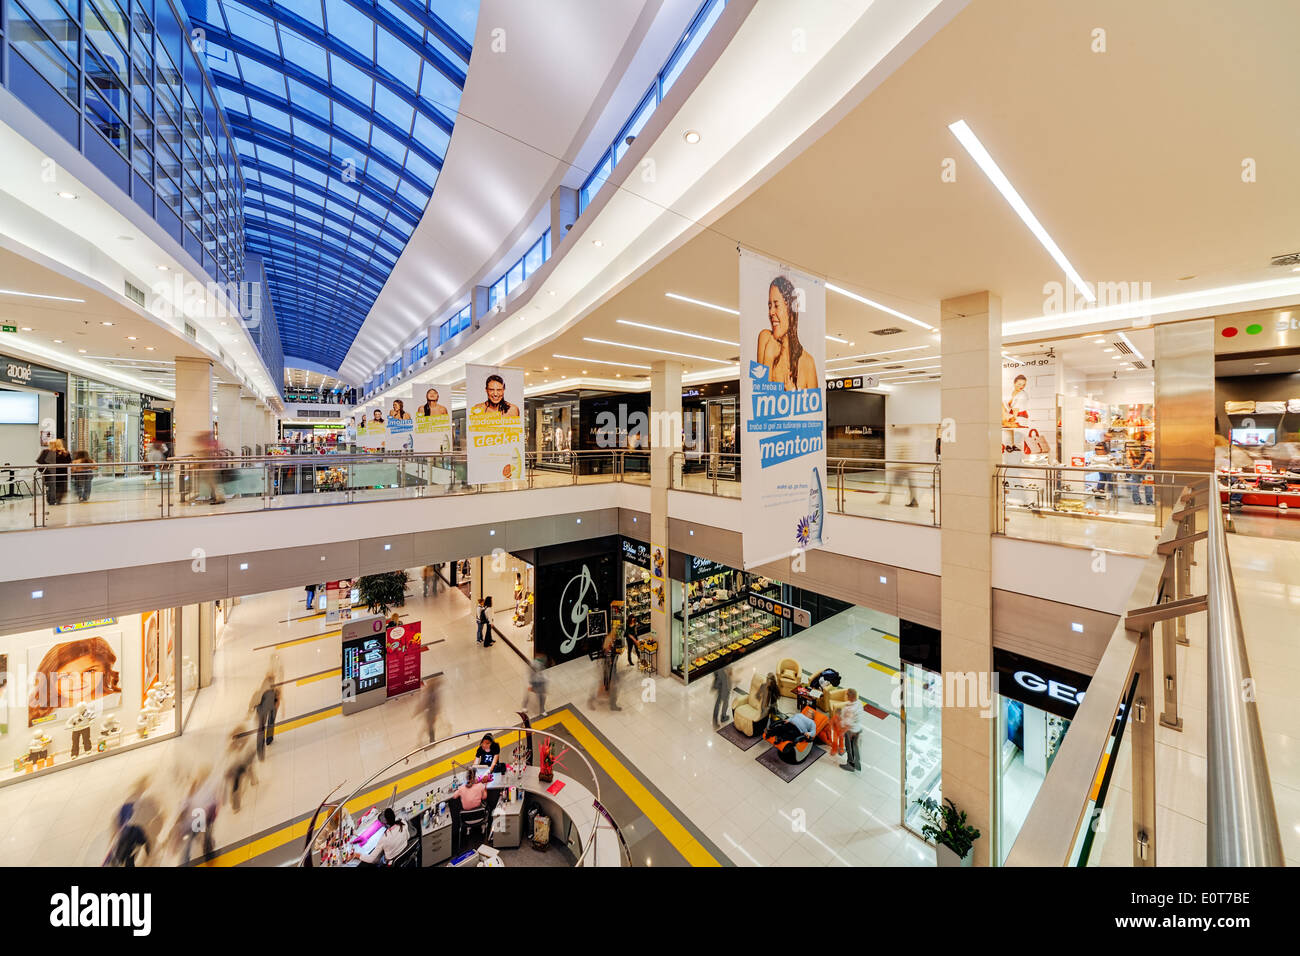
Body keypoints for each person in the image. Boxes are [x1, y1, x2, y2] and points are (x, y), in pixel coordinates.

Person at [757, 276, 818, 390]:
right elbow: (759, 395)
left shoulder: (808, 361)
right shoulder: (765, 338)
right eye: (769, 306)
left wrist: (793, 393)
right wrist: (769, 358)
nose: (771, 312)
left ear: (790, 308)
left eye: (776, 305)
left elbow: (814, 407)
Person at [225, 722, 259, 812]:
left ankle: (236, 806)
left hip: (241, 765)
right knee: (249, 771)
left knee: (236, 785)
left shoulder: (246, 743)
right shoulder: (237, 743)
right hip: (240, 765)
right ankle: (254, 780)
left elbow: (245, 754)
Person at [250, 674, 280, 761]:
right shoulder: (273, 690)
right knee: (271, 722)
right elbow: (277, 698)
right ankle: (269, 739)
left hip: (262, 710)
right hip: (271, 706)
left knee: (261, 730)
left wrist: (251, 709)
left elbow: (254, 701)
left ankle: (260, 752)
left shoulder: (260, 691)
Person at [36, 438, 71, 505]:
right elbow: (68, 462)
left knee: (50, 487)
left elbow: (39, 461)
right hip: (61, 474)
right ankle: (57, 500)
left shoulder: (45, 452)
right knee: (60, 487)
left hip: (49, 473)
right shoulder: (65, 453)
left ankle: (51, 500)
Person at [839, 689, 866, 773]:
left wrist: (843, 731)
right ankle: (857, 765)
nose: (846, 696)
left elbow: (848, 723)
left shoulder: (850, 708)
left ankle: (850, 765)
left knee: (849, 748)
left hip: (850, 731)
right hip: (857, 729)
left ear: (850, 696)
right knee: (855, 747)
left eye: (847, 695)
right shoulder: (859, 703)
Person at [1129, 442, 1155, 507]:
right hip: (1145, 468)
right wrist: (1140, 466)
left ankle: (1136, 501)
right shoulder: (1147, 448)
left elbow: (1129, 458)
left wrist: (1132, 467)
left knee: (1135, 483)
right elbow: (1147, 457)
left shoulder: (1133, 448)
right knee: (1148, 484)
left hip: (1135, 467)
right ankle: (1149, 501)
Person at [420, 676, 441, 744]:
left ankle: (432, 740)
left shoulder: (431, 694)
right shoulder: (432, 692)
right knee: (429, 726)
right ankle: (431, 739)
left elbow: (426, 704)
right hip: (430, 713)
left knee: (430, 727)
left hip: (431, 713)